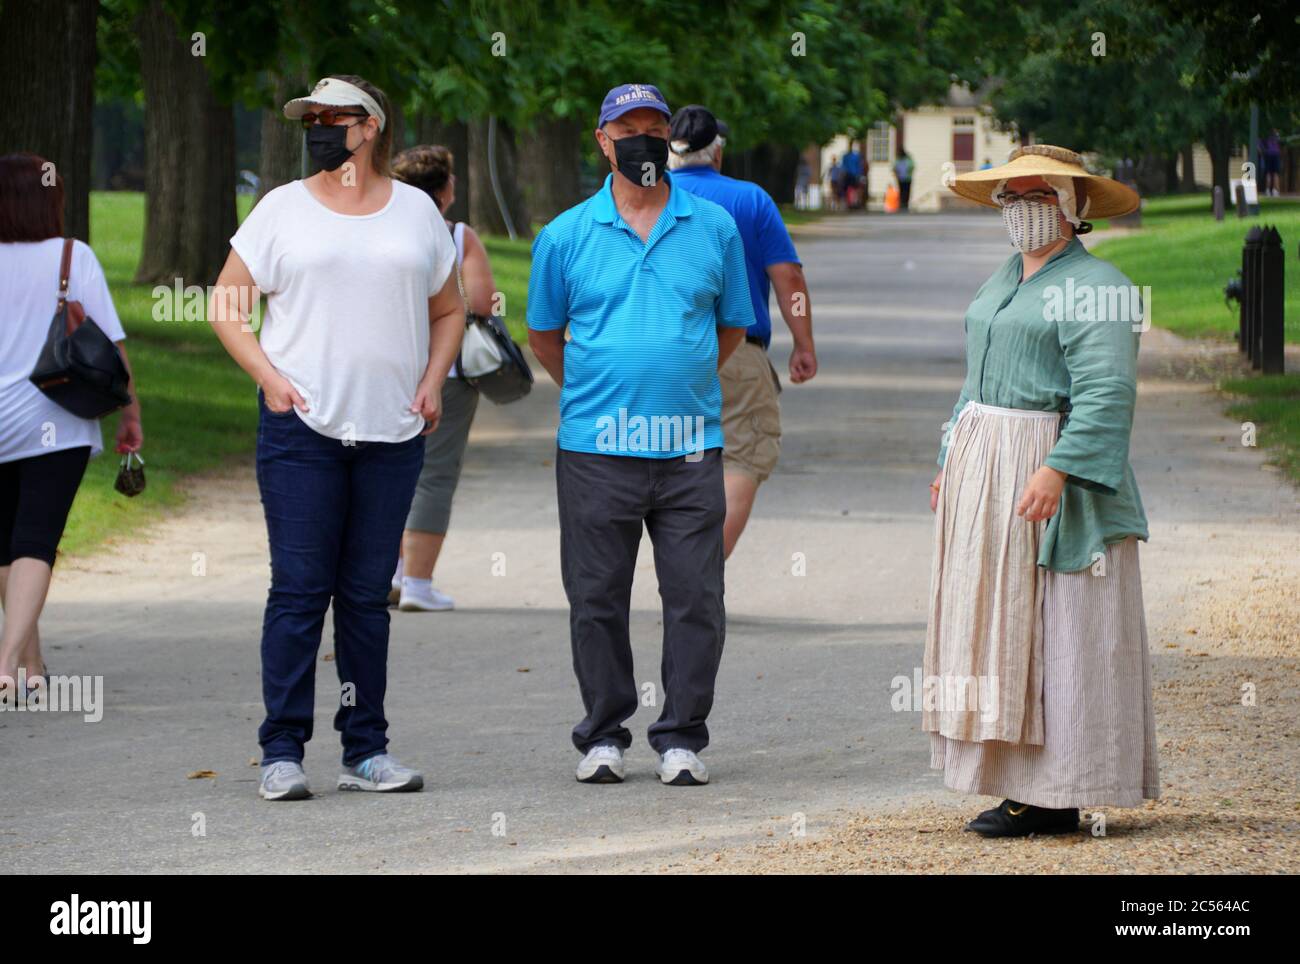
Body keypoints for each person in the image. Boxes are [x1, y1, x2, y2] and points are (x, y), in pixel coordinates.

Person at [207, 75, 464, 801]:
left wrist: (435, 378)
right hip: (301, 431)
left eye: (335, 118)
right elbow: (228, 304)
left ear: (372, 126)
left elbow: (450, 311)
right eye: (311, 119)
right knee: (298, 590)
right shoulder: (281, 210)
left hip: (393, 430)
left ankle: (366, 750)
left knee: (362, 597)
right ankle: (282, 750)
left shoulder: (416, 214)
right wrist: (266, 375)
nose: (321, 128)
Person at [926, 145, 1158, 837]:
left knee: (1061, 625)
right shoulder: (1002, 280)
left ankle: (1062, 789)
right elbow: (975, 381)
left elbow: (1107, 391)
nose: (1021, 207)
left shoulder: (1099, 286)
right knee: (999, 622)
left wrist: (1059, 469)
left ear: (1071, 206)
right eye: (1011, 195)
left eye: (1037, 194)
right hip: (985, 466)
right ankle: (1016, 780)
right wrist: (949, 455)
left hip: (1045, 467)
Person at [527, 84, 752, 787]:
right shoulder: (565, 235)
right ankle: (602, 735)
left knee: (696, 597)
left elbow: (732, 326)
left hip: (690, 444)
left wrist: (674, 384)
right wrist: (604, 393)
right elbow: (544, 334)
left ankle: (682, 735)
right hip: (596, 447)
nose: (643, 139)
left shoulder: (713, 227)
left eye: (655, 127)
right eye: (629, 128)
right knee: (596, 598)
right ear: (602, 140)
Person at [0, 153, 142, 696]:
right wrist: (130, 415)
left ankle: (31, 669)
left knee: (5, 547)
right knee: (35, 540)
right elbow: (111, 346)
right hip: (54, 420)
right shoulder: (70, 256)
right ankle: (11, 662)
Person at [667, 105, 817, 558]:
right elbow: (788, 277)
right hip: (735, 351)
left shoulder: (644, 197)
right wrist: (804, 343)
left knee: (661, 456)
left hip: (658, 351)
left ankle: (670, 564)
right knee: (741, 458)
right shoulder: (751, 200)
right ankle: (697, 570)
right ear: (717, 152)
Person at [389, 145, 497, 612]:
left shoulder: (381, 229)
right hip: (447, 372)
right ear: (446, 189)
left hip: (388, 369)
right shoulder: (456, 236)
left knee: (388, 472)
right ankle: (417, 582)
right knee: (433, 475)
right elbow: (479, 301)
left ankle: (385, 574)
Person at [1259, 129, 1282, 197]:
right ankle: (1275, 190)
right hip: (1275, 154)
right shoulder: (1277, 135)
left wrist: (1263, 152)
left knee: (1269, 173)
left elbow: (1259, 145)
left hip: (1268, 154)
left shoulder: (1265, 135)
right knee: (1275, 173)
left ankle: (1268, 190)